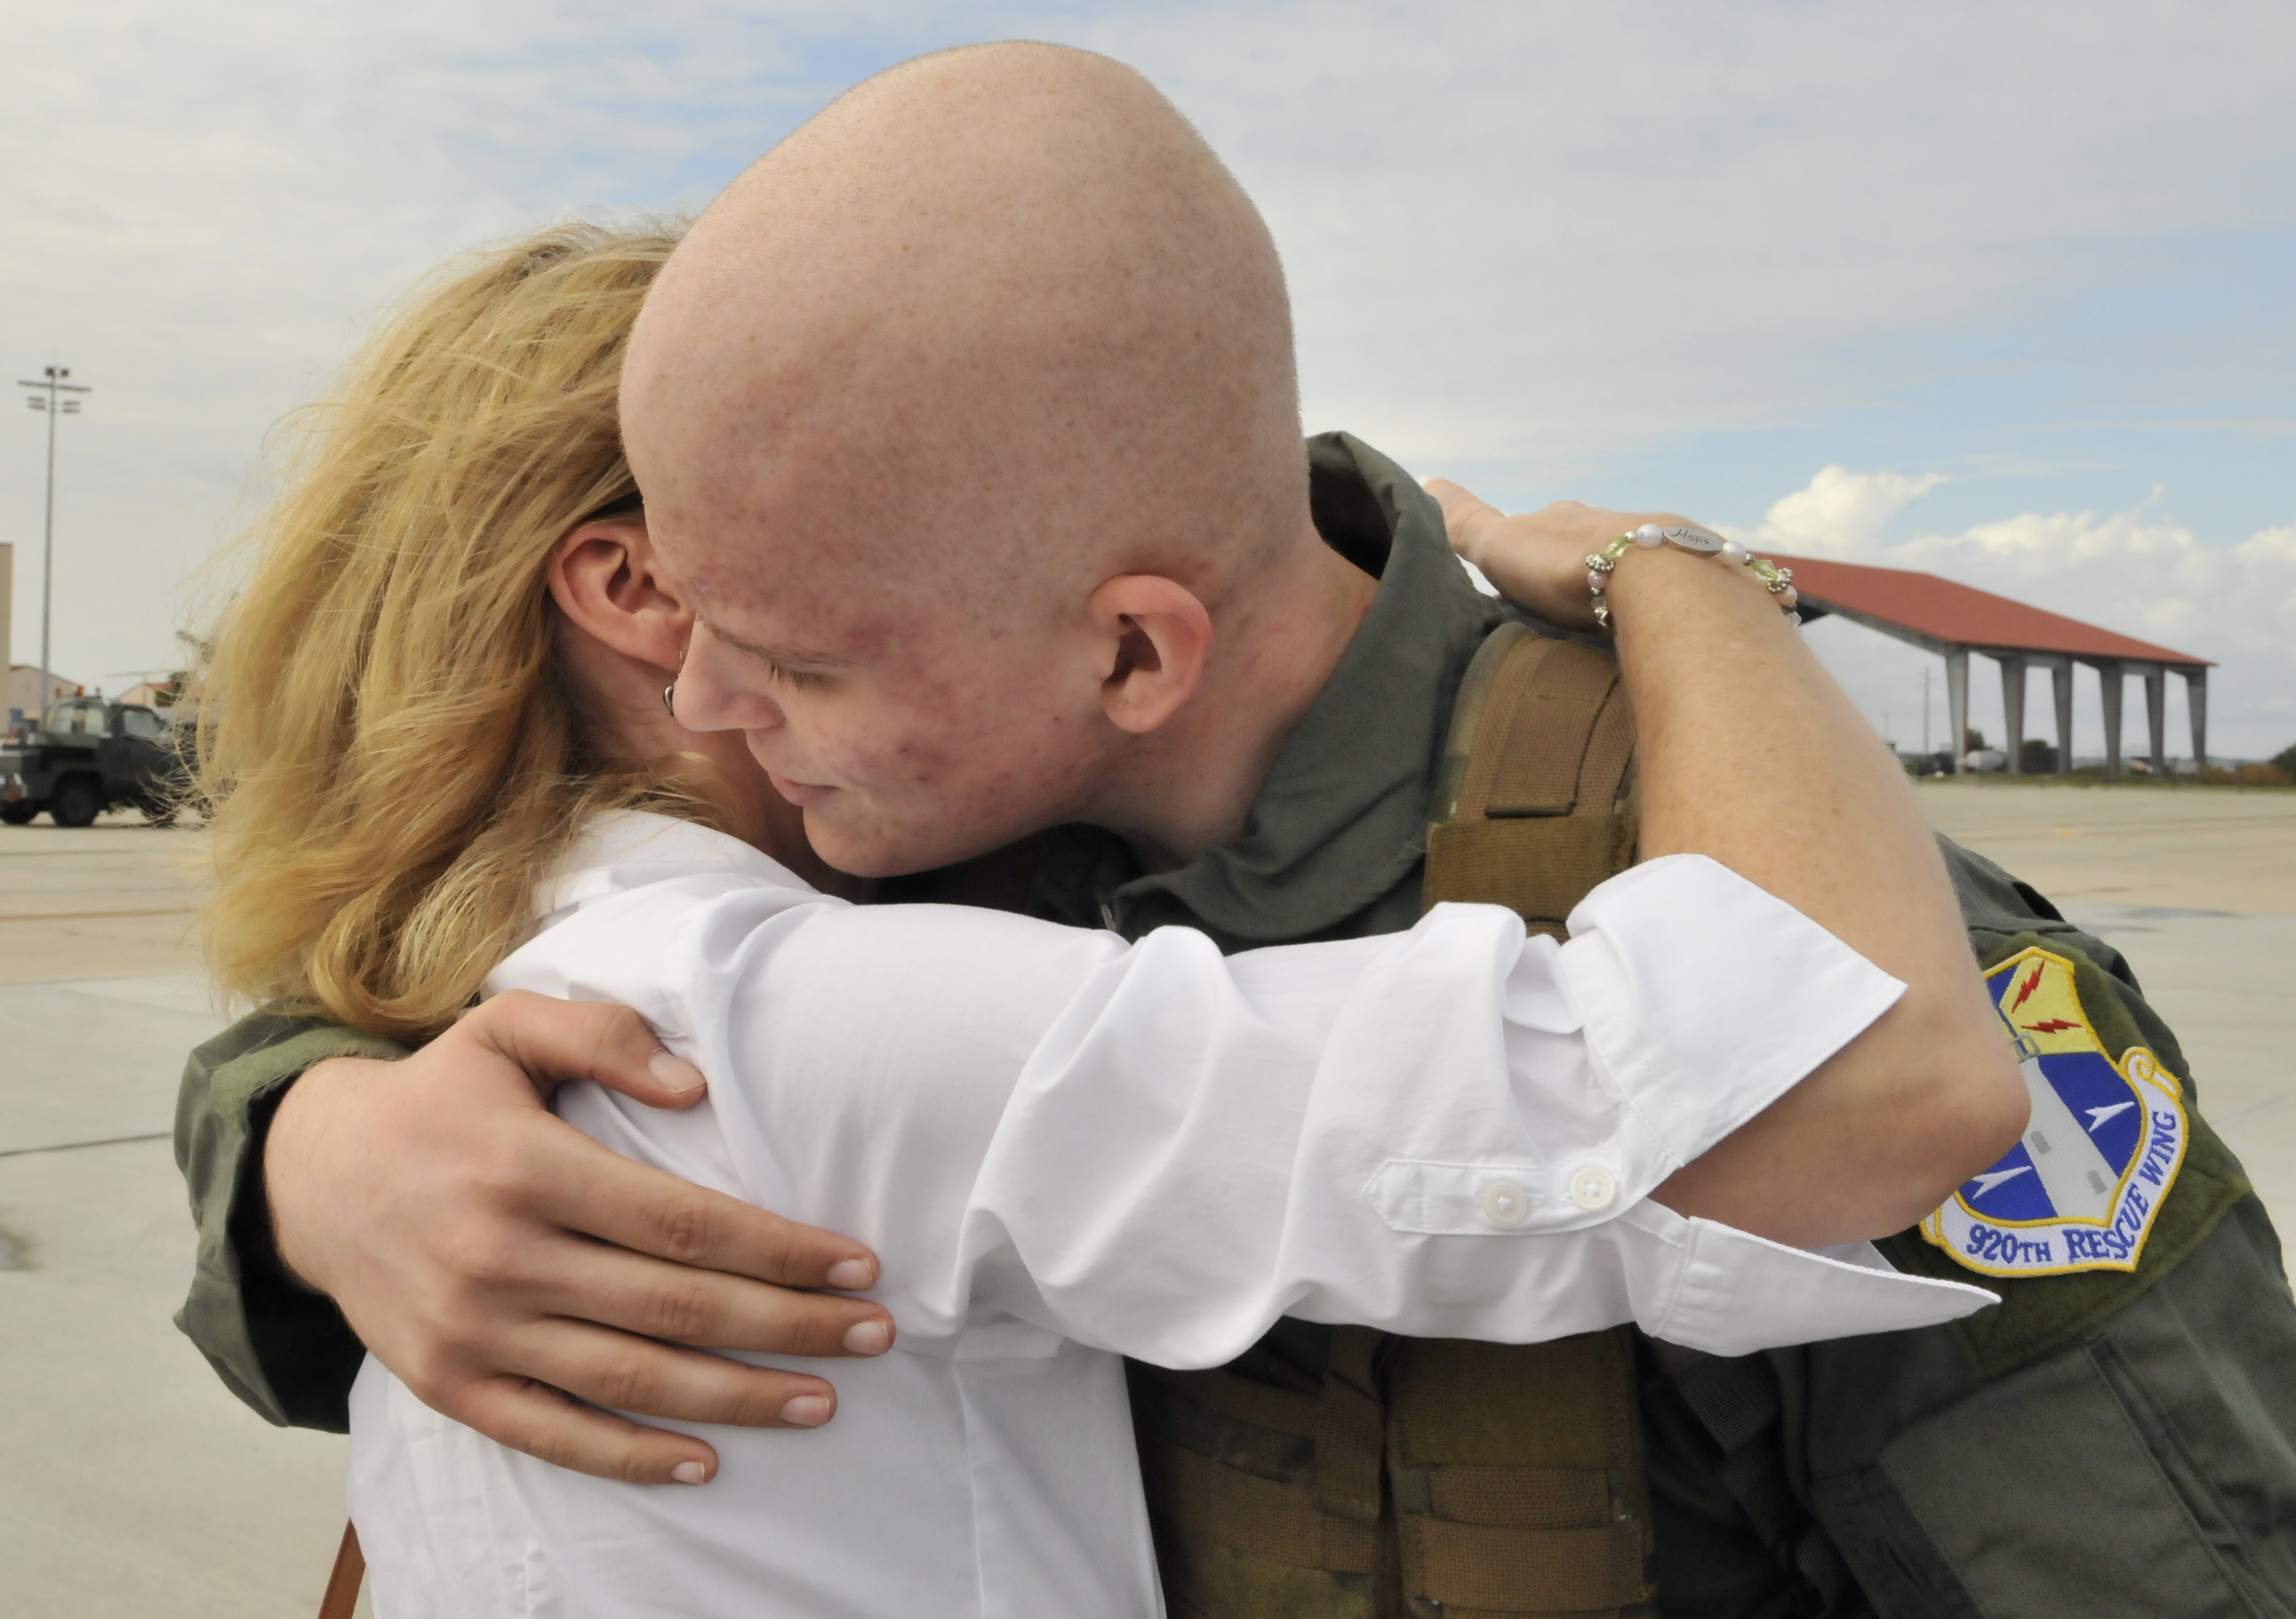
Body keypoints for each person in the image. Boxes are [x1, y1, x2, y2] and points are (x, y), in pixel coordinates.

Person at [178, 43, 2296, 1618]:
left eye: (798, 652)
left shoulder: (1736, 895)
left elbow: (2146, 1551)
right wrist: (307, 1145)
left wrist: (1688, 581)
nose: (723, 702)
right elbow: (521, 989)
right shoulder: (920, 846)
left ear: (1128, 649)